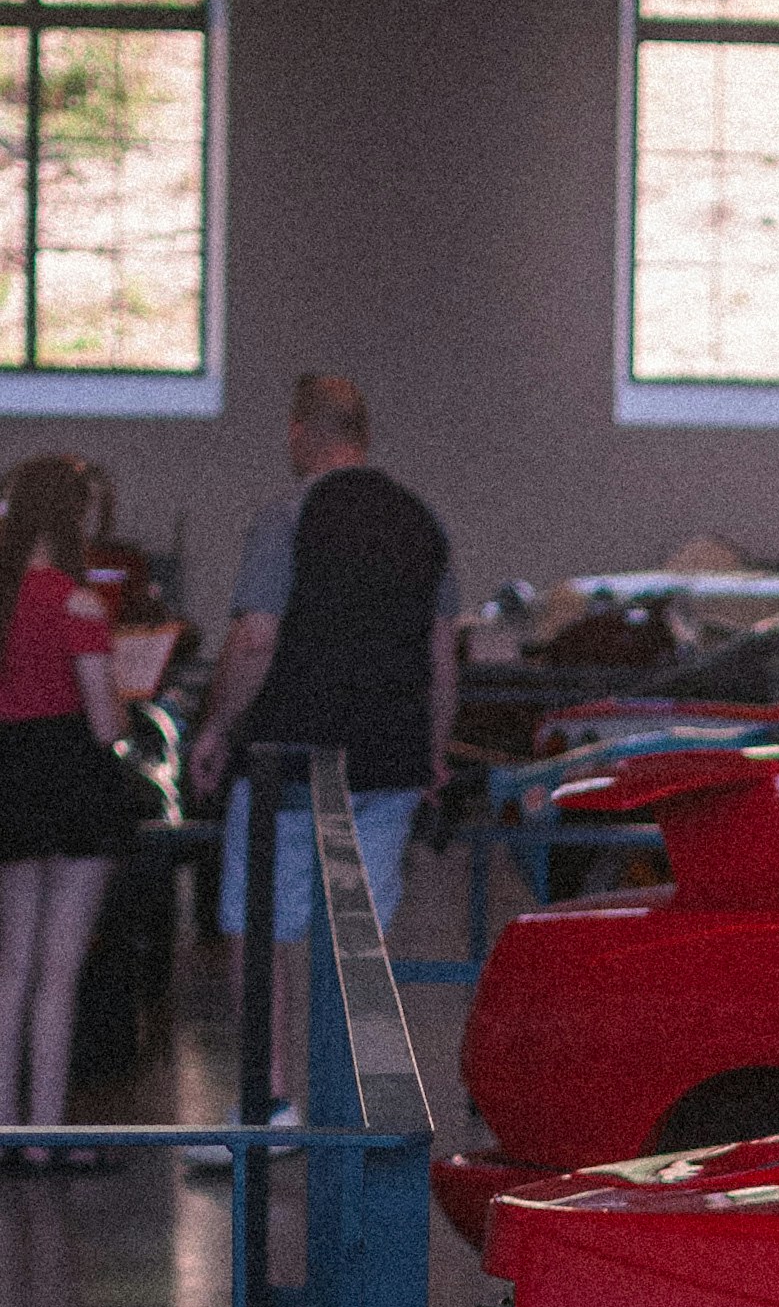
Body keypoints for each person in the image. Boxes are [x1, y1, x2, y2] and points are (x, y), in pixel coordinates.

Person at [187, 374, 458, 1122]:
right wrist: (434, 755)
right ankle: (354, 1101)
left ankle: (269, 1101)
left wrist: (214, 729)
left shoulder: (289, 518)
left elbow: (254, 638)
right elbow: (442, 657)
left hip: (288, 763)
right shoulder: (422, 524)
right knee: (358, 939)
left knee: (258, 922)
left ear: (303, 430)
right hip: (390, 765)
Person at [0, 454, 133, 1164]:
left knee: (10, 967)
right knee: (58, 970)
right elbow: (106, 724)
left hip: (10, 780)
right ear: (71, 516)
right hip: (74, 785)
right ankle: (46, 1140)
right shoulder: (78, 605)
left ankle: (4, 1128)